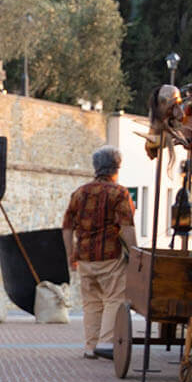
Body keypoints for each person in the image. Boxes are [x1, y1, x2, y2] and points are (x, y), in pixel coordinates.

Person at [61, 145, 137, 359]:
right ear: (117, 168)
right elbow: (126, 227)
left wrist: (71, 255)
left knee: (91, 303)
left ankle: (90, 346)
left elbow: (67, 227)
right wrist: (135, 253)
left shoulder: (79, 193)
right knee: (115, 298)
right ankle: (106, 343)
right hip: (110, 256)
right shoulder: (119, 193)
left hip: (84, 257)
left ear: (96, 168)